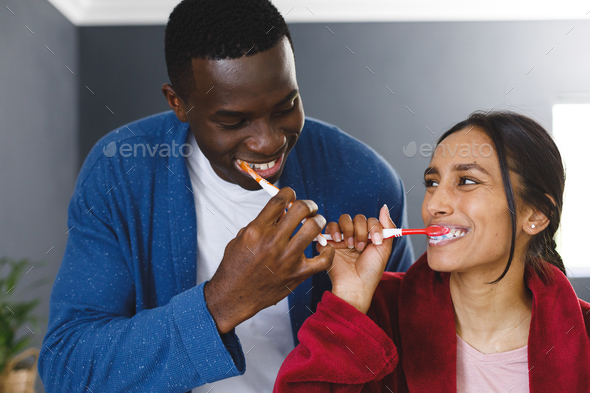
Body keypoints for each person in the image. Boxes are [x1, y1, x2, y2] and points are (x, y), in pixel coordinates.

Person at [38, 1, 414, 392]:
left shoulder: (364, 178)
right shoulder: (120, 171)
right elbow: (68, 368)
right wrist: (222, 303)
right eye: (233, 121)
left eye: (286, 107)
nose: (270, 142)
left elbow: (412, 357)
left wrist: (351, 302)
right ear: (178, 103)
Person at [274, 111, 590, 393]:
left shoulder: (585, 335)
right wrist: (349, 300)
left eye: (466, 181)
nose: (433, 204)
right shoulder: (377, 315)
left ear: (535, 215)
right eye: (432, 182)